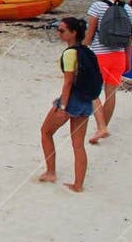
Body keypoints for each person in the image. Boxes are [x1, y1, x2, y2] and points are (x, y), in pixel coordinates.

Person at [40, 16, 100, 192]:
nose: (58, 33)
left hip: (71, 99)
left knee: (46, 132)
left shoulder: (69, 53)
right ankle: (78, 185)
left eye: (62, 30)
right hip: (86, 99)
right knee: (78, 144)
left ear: (73, 33)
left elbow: (67, 82)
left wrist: (63, 107)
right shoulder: (86, 51)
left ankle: (51, 172)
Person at [87, 0, 132, 144]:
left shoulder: (97, 7)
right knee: (111, 94)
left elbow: (90, 35)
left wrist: (81, 51)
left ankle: (101, 128)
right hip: (119, 56)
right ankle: (102, 127)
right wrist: (129, 59)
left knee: (92, 92)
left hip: (100, 56)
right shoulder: (128, 9)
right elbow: (129, 37)